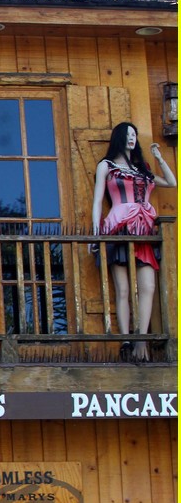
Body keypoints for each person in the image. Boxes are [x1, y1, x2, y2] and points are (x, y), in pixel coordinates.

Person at [89, 122, 176, 362]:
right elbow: (98, 201)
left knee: (147, 286)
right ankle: (126, 340)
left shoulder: (143, 168)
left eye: (134, 135)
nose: (132, 139)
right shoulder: (107, 165)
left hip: (143, 227)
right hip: (118, 224)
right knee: (124, 288)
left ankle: (141, 340)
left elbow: (172, 182)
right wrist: (95, 233)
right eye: (127, 135)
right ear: (119, 137)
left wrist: (159, 156)